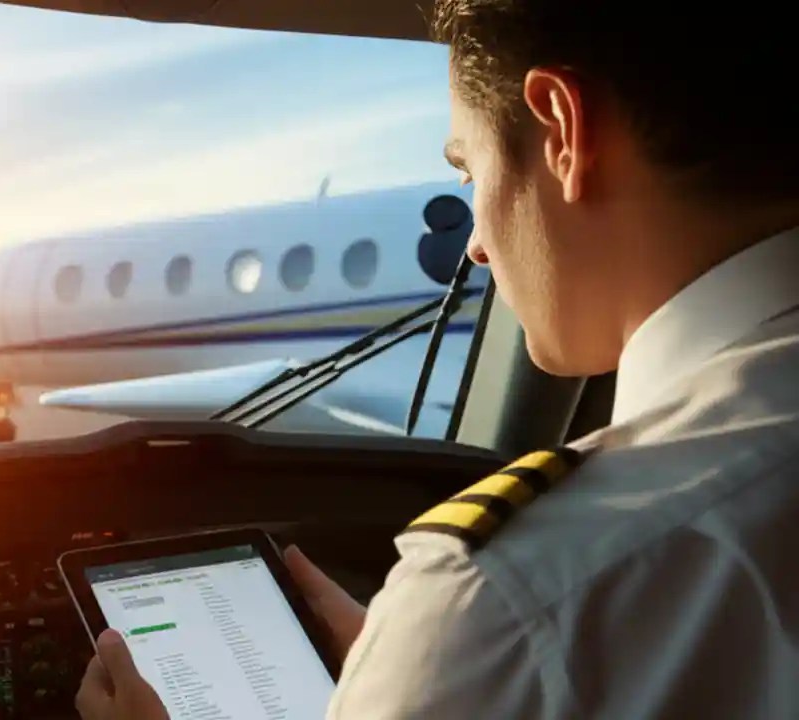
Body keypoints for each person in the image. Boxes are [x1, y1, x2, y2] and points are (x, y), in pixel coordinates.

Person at [75, 0, 799, 716]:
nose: (477, 246)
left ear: (562, 132)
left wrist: (446, 646)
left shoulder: (509, 593)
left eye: (467, 172)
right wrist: (419, 668)